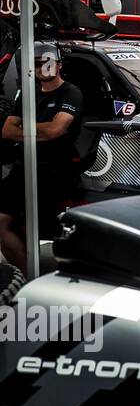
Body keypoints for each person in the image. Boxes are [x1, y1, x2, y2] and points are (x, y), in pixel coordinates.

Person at [0, 43, 84, 271]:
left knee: (31, 228)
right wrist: (41, 133)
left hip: (52, 172)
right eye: (36, 63)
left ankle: (41, 280)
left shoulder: (70, 92)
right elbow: (7, 130)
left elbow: (55, 130)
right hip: (22, 168)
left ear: (58, 65)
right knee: (3, 224)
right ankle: (30, 278)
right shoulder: (29, 94)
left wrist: (27, 130)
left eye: (47, 62)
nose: (41, 68)